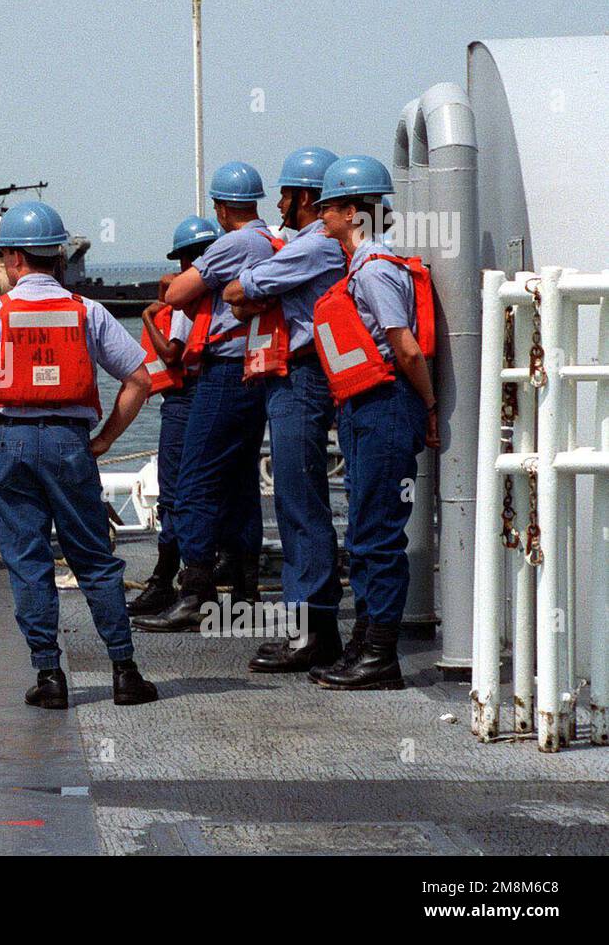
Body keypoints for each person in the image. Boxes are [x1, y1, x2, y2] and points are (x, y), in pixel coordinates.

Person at [0, 201, 159, 709]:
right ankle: (124, 672)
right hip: (70, 445)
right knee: (95, 559)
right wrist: (105, 440)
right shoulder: (87, 312)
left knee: (28, 562)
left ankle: (49, 678)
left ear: (12, 259)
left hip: (8, 442)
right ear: (57, 256)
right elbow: (140, 380)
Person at [306, 155, 439, 691]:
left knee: (378, 532)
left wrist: (427, 406)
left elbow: (404, 347)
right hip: (365, 408)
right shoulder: (361, 267)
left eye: (329, 209)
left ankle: (381, 656)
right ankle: (365, 641)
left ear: (354, 212)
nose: (322, 218)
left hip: (386, 404)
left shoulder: (377, 269)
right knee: (362, 530)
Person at [220, 147, 350, 672]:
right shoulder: (313, 245)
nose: (277, 202)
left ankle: (313, 632)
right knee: (299, 500)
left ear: (308, 199)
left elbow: (237, 291)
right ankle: (314, 629)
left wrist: (252, 292)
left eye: (286, 193)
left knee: (299, 503)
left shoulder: (315, 246)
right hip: (297, 377)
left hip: (302, 377)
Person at [133, 162, 276, 633]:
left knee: (192, 482)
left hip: (223, 372)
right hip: (256, 371)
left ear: (220, 207)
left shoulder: (233, 243)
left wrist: (163, 297)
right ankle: (245, 591)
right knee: (239, 484)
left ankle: (195, 592)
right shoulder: (273, 241)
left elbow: (179, 292)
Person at [127, 216, 223, 618]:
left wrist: (150, 315)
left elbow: (171, 355)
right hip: (216, 392)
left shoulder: (185, 299)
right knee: (206, 491)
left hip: (185, 399)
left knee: (175, 494)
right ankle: (204, 580)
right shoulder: (221, 294)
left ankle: (168, 582)